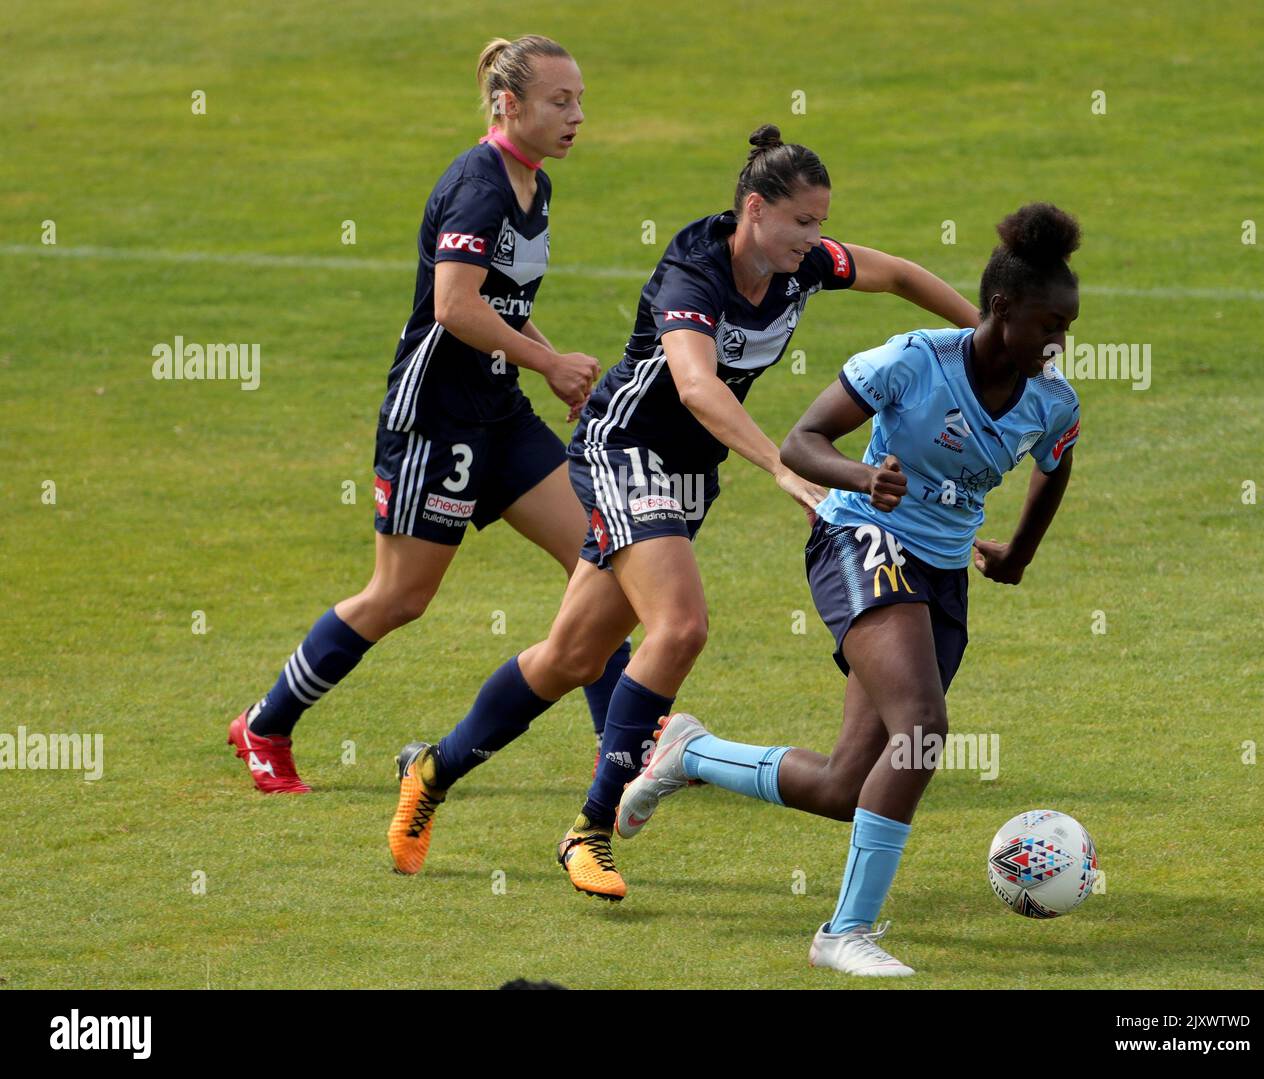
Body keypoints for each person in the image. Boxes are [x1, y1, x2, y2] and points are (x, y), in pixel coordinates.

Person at [386, 124, 982, 894]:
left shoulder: (803, 267)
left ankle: (431, 768)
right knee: (681, 625)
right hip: (622, 449)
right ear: (755, 210)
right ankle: (591, 829)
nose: (817, 237)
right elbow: (697, 387)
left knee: (571, 655)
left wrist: (983, 338)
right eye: (803, 220)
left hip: (687, 474)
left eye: (823, 223)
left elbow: (899, 274)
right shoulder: (694, 272)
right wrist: (781, 467)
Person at [616, 202, 1083, 976]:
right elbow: (804, 440)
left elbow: (1055, 465)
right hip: (860, 536)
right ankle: (845, 931)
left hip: (939, 573)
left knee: (844, 785)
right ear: (1001, 309)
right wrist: (865, 475)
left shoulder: (1051, 397)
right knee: (924, 726)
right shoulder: (912, 360)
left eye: (1067, 326)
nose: (1057, 342)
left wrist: (1020, 554)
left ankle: (690, 754)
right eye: (1048, 324)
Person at [226, 35, 628, 793]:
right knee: (401, 597)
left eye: (580, 101)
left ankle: (627, 745)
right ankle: (265, 722)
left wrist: (541, 360)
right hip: (435, 420)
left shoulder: (534, 184)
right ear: (508, 105)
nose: (577, 116)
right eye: (561, 102)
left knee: (599, 554)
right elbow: (453, 305)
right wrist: (548, 361)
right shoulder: (478, 186)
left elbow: (500, 301)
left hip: (497, 411)